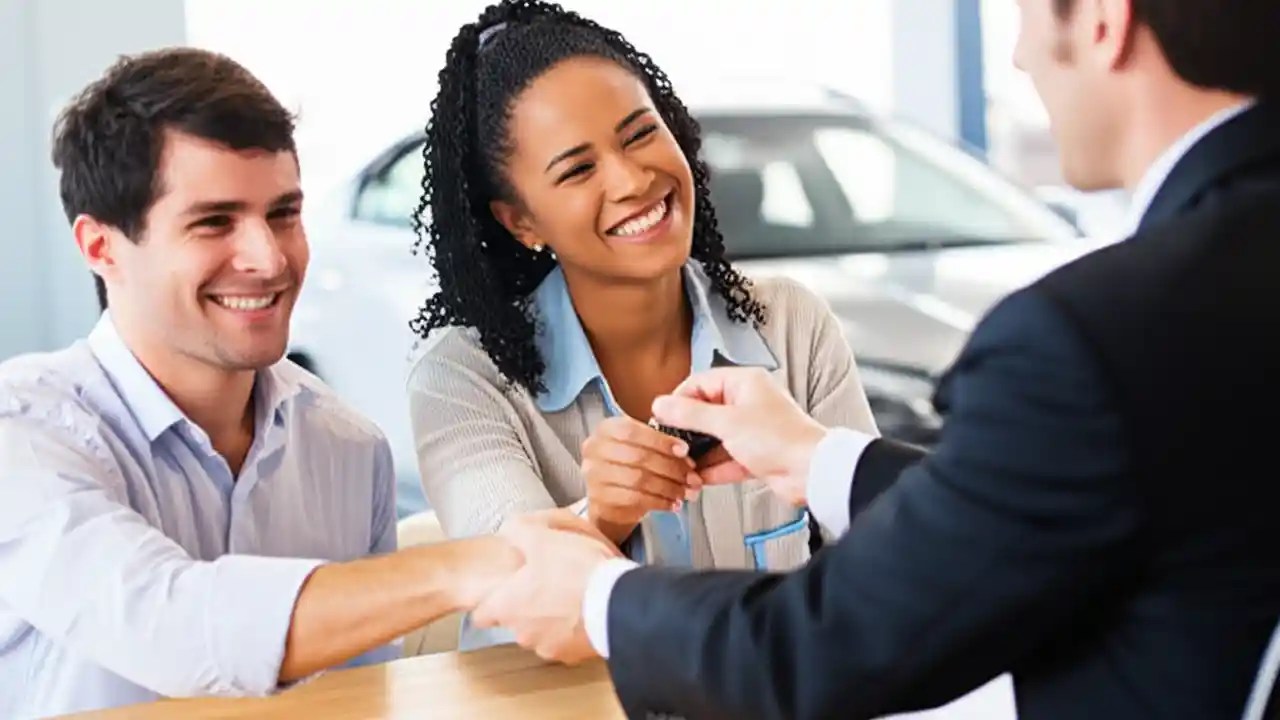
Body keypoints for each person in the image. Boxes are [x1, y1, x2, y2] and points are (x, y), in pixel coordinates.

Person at [470, 0, 1280, 718]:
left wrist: (601, 599)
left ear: (1105, 20)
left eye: (1028, 13)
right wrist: (819, 458)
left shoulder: (1093, 334)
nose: (1020, 56)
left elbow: (826, 650)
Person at [0, 48, 521, 719]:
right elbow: (173, 625)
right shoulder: (24, 434)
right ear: (102, 248)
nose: (269, 258)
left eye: (283, 213)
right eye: (213, 222)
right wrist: (471, 566)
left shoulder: (348, 449)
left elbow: (357, 703)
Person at [405, 0, 876, 648]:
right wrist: (601, 515)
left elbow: (885, 560)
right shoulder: (461, 378)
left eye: (639, 134)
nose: (631, 179)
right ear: (522, 222)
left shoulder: (792, 325)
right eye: (577, 170)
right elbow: (513, 601)